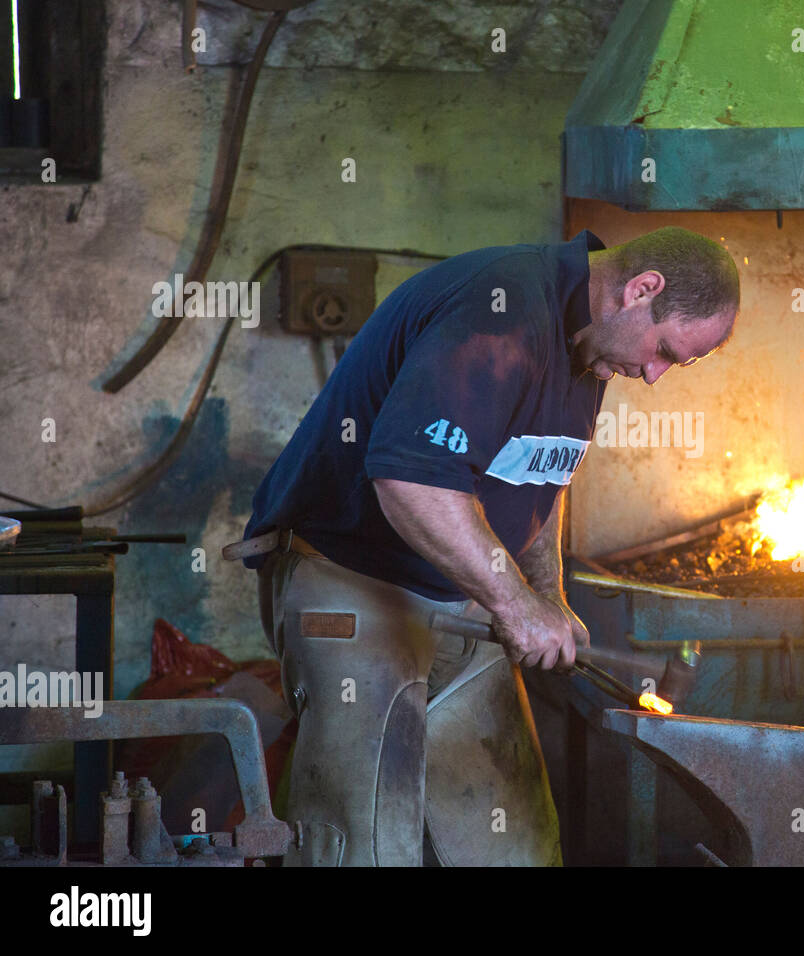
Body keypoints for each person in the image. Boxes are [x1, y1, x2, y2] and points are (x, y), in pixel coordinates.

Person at [225, 226, 739, 865]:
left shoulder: (594, 346)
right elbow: (410, 481)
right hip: (353, 575)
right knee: (368, 844)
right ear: (641, 290)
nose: (656, 376)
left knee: (513, 844)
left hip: (459, 590)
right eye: (663, 349)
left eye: (676, 364)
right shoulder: (502, 308)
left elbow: (539, 474)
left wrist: (545, 592)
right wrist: (517, 606)